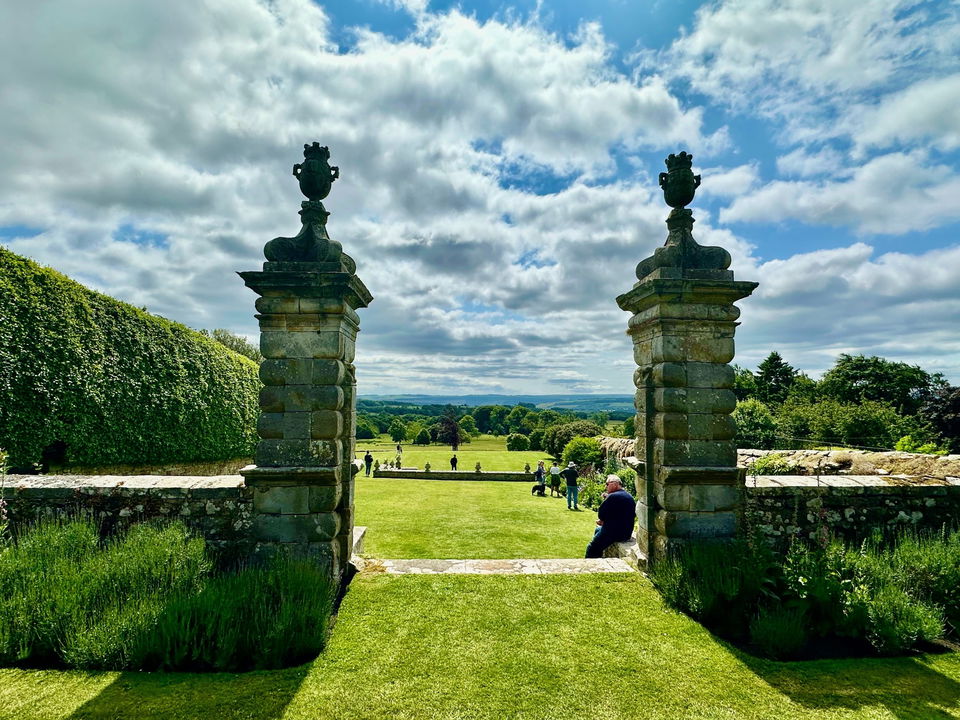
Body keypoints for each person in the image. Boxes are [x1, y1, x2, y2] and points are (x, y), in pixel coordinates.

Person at [585, 475, 636, 558]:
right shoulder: (628, 496)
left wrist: (602, 521)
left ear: (615, 484)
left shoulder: (612, 496)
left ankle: (591, 565)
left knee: (591, 548)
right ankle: (599, 554)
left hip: (613, 533)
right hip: (626, 532)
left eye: (607, 484)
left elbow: (601, 514)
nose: (606, 487)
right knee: (597, 530)